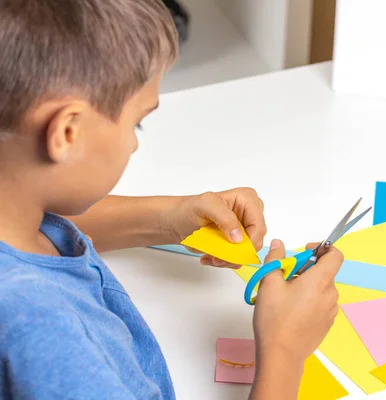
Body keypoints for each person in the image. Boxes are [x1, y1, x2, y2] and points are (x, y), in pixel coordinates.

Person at [0, 0, 342, 399]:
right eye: (136, 123)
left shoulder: (15, 211)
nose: (133, 143)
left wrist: (171, 219)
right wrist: (285, 352)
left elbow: (43, 222)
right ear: (67, 133)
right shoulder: (44, 330)